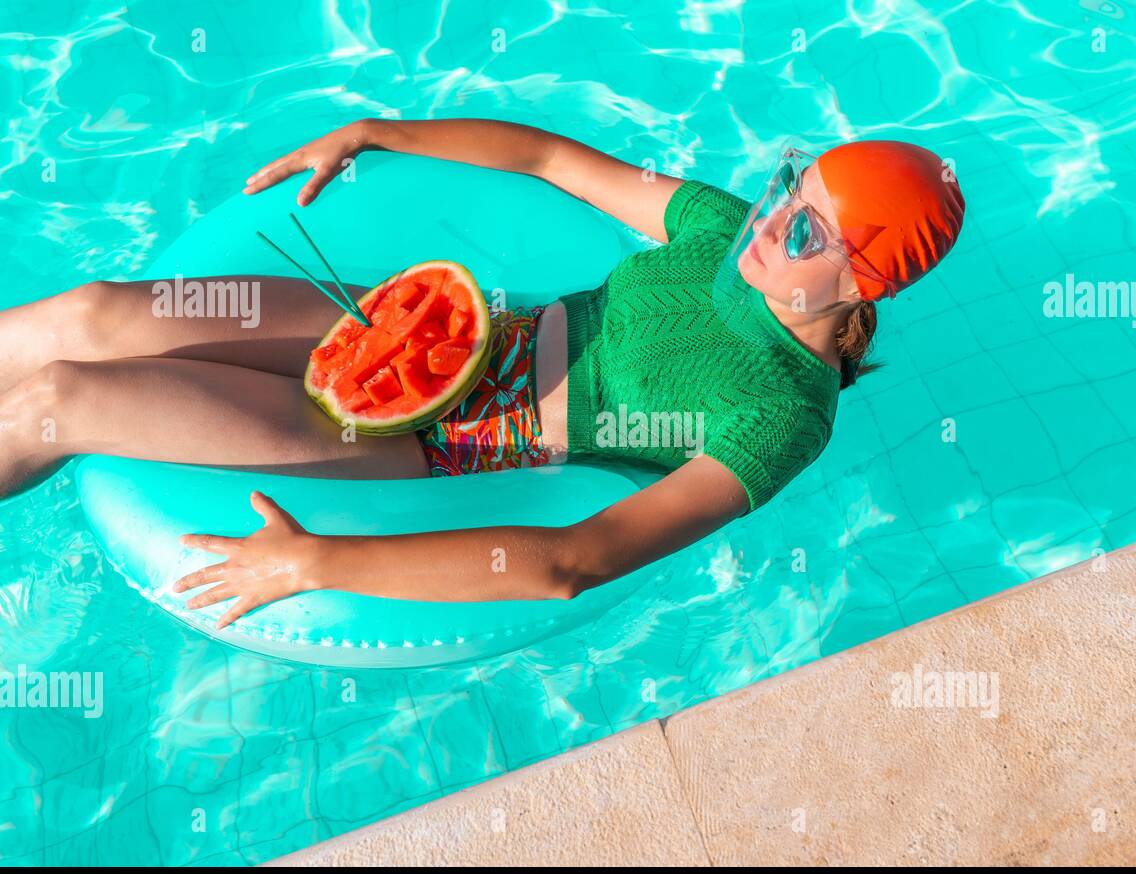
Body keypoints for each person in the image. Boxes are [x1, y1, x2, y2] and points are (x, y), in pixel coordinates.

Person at [0, 118, 963, 626]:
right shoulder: (719, 232)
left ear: (864, 277)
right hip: (433, 328)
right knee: (93, 310)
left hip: (433, 437)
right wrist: (379, 130)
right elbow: (547, 156)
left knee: (63, 398)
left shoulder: (780, 417)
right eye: (786, 183)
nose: (764, 220)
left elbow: (571, 562)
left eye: (802, 228)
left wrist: (317, 562)